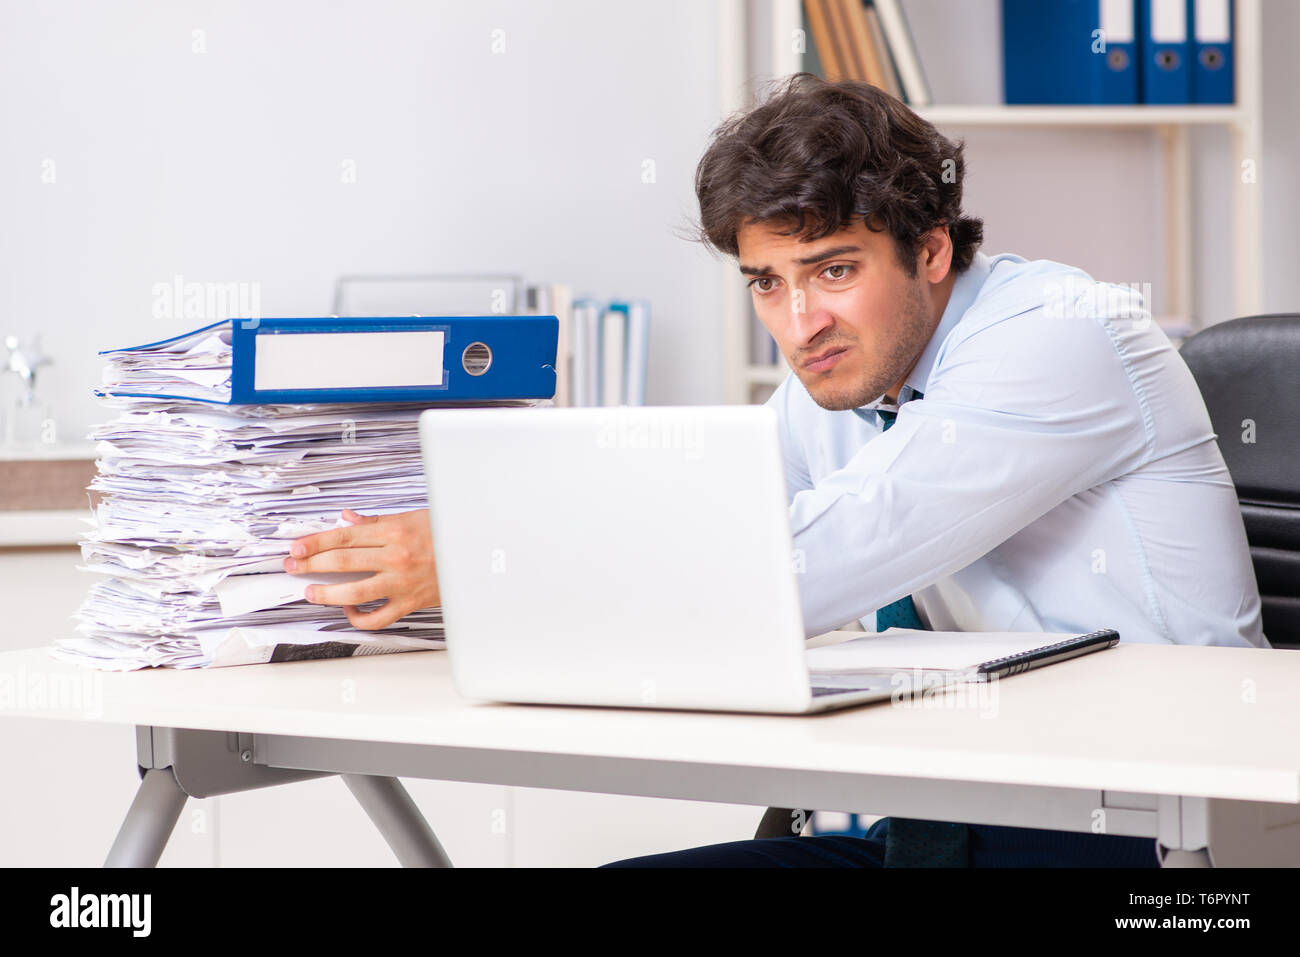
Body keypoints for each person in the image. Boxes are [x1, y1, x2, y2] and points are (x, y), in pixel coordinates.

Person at [283, 74, 1268, 867]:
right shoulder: (837, 375)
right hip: (951, 821)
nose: (800, 324)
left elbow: (796, 561)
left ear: (929, 250)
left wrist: (483, 559)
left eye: (834, 270)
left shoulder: (1058, 336)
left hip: (1154, 838)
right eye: (767, 283)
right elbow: (715, 514)